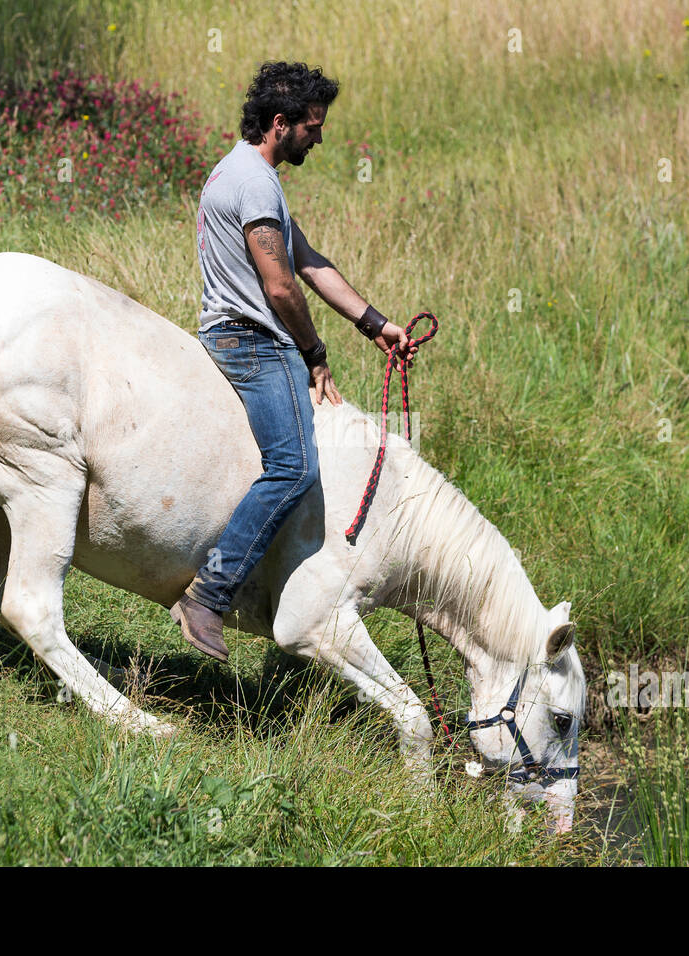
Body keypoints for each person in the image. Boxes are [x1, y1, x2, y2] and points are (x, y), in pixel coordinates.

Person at [172, 60, 420, 662]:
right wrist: (314, 354)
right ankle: (209, 594)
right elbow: (282, 287)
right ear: (280, 124)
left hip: (244, 337)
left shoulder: (244, 174)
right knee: (294, 468)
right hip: (253, 341)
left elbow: (308, 260)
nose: (320, 136)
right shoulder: (254, 183)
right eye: (313, 126)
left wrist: (375, 324)